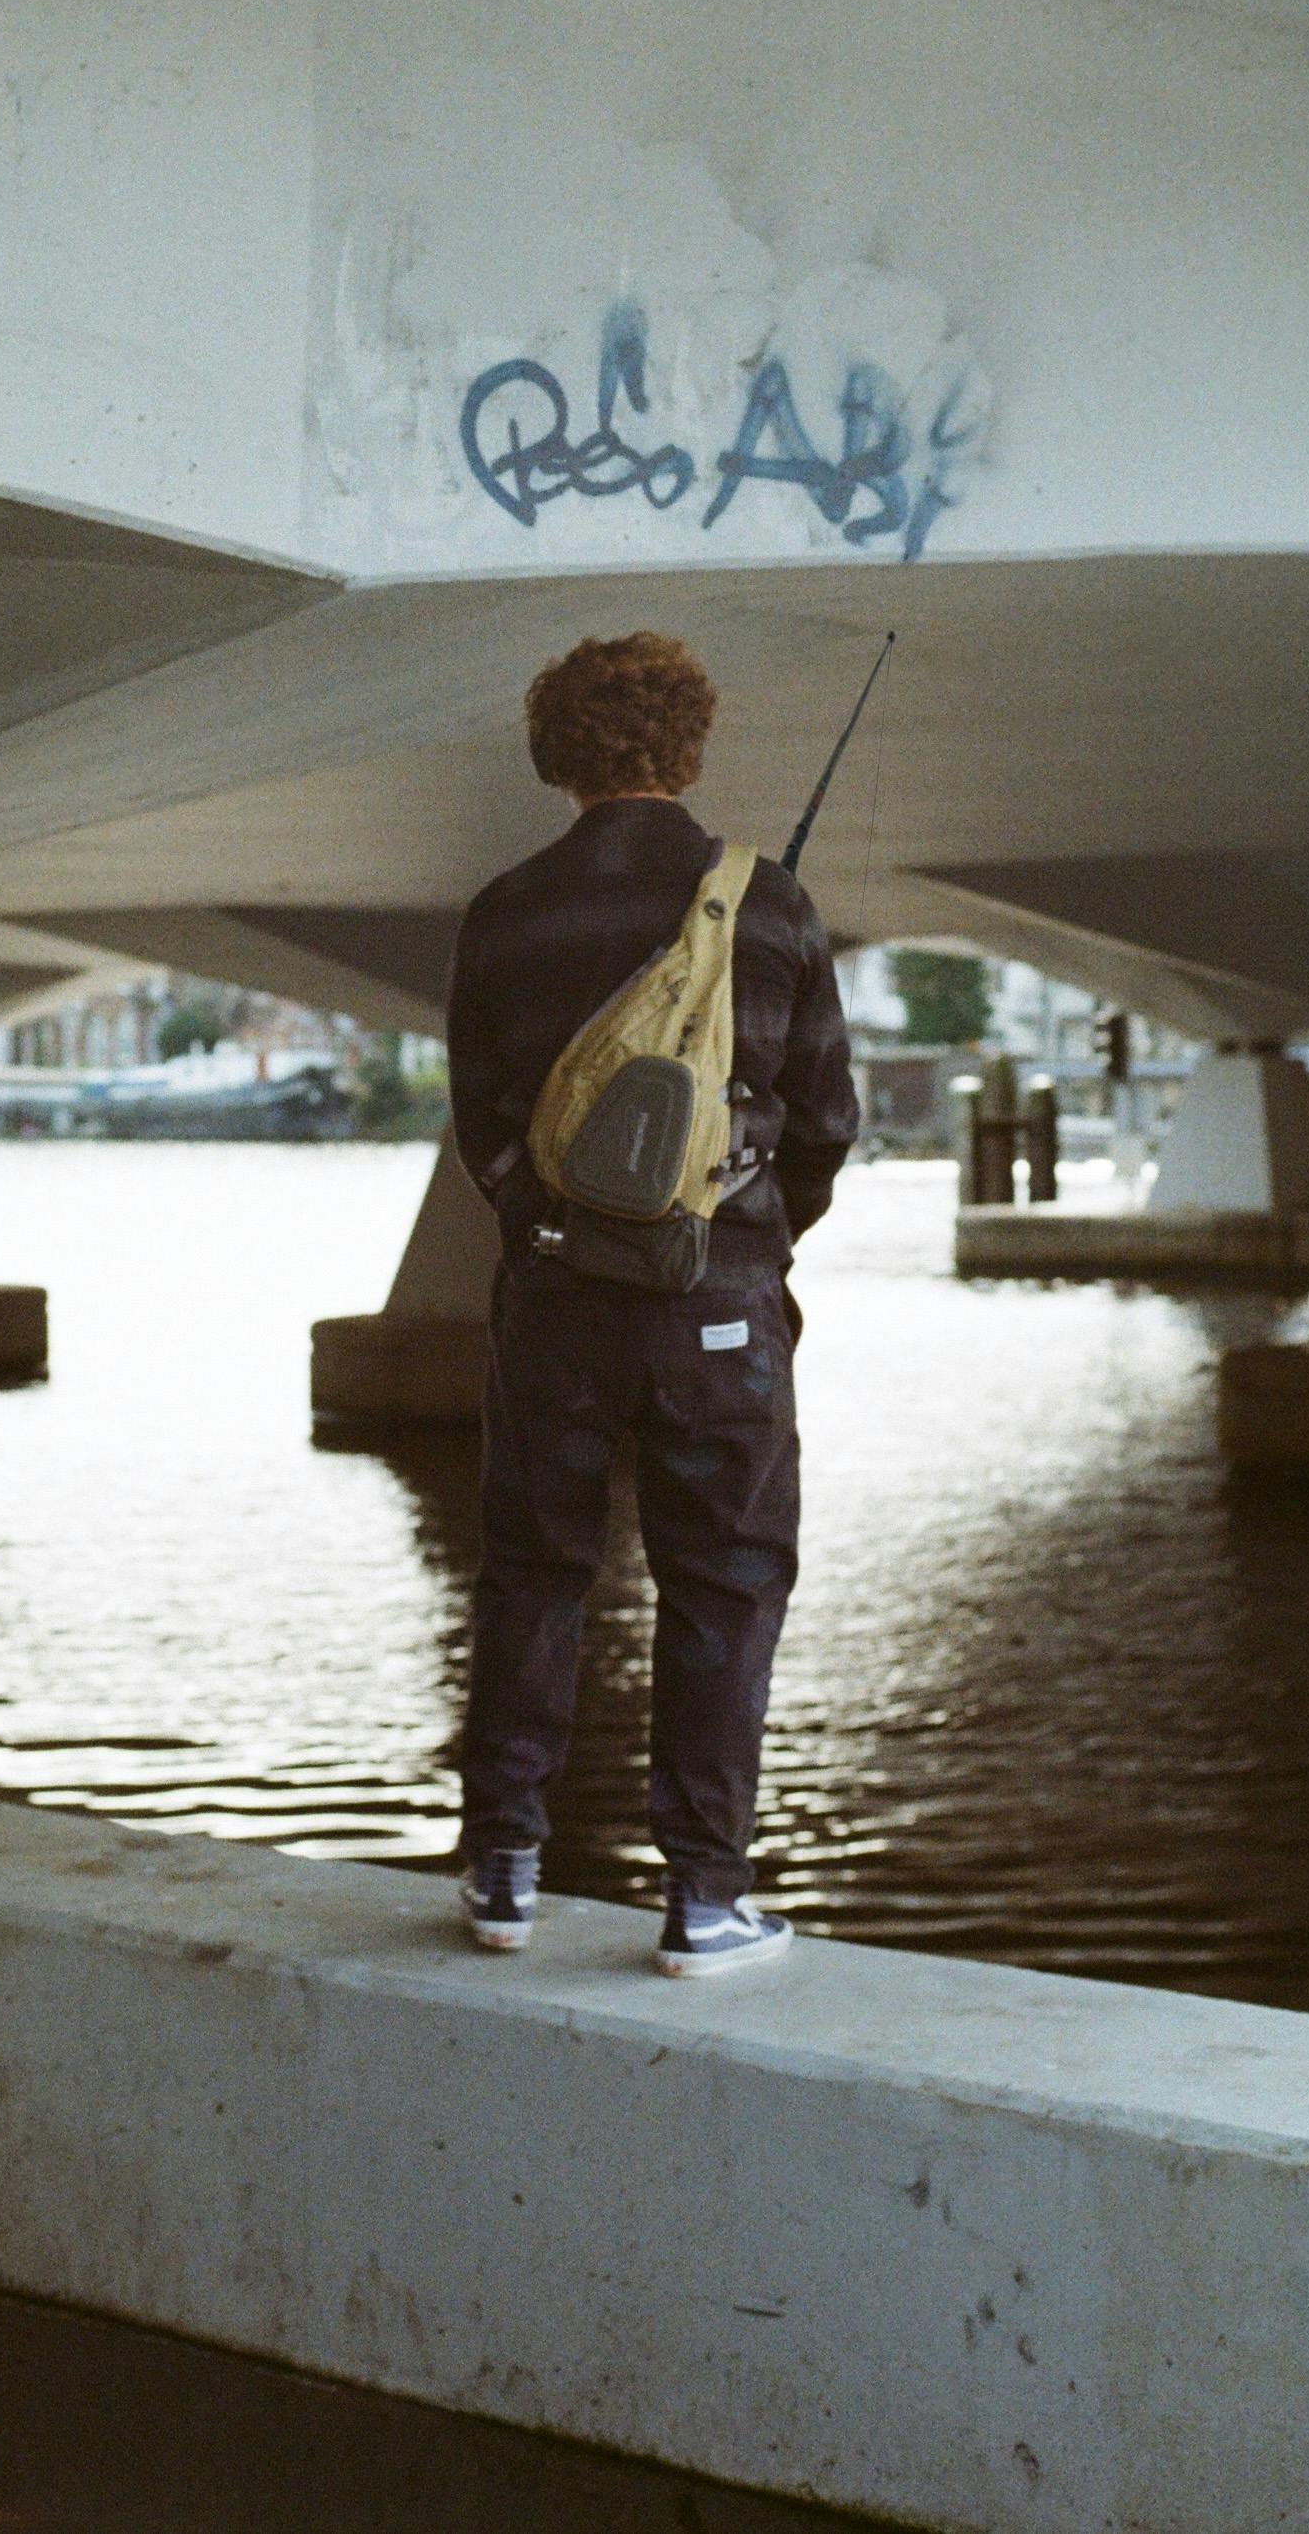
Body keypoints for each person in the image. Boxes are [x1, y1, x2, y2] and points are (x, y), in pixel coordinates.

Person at [445, 631, 858, 1976]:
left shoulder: (505, 911)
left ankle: (503, 1866)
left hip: (557, 1300)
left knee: (533, 1570)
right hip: (720, 1310)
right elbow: (827, 1124)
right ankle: (704, 1895)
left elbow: (483, 1131)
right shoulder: (773, 904)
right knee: (724, 1582)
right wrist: (735, 1241)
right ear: (688, 746)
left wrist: (562, 1233)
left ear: (557, 753)